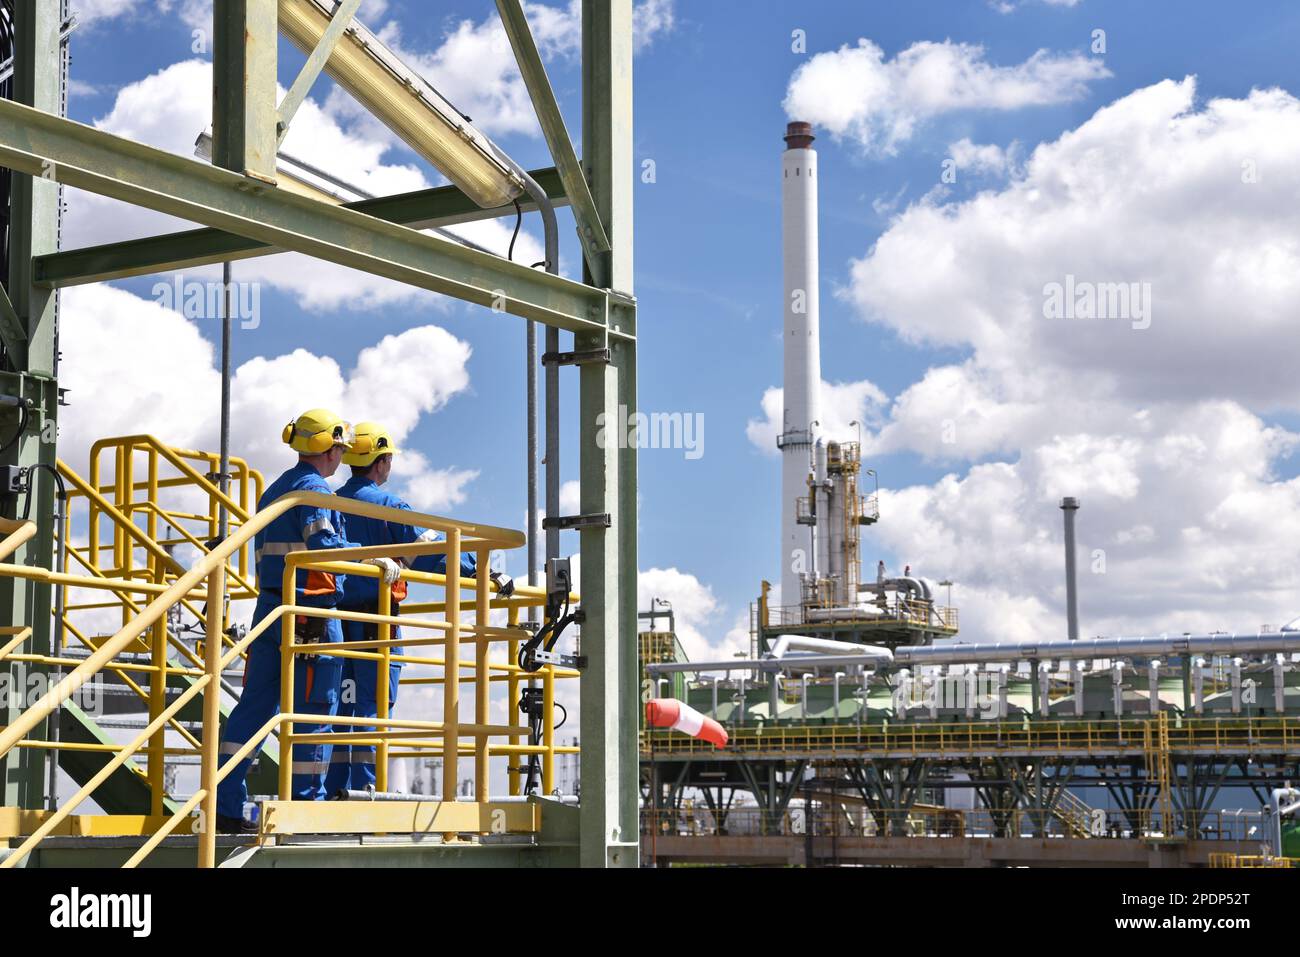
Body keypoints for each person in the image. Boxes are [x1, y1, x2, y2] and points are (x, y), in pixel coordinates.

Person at [323, 422, 514, 794]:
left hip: (334, 623)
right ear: (382, 462)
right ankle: (365, 792)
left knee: (336, 707)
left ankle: (333, 790)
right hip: (378, 623)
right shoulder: (390, 507)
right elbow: (434, 552)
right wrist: (483, 571)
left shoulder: (329, 502)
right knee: (374, 707)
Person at [215, 409, 381, 834]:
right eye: (340, 448)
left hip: (271, 609)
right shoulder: (312, 490)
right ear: (330, 448)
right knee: (315, 709)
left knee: (254, 707)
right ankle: (307, 808)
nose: (342, 456)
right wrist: (371, 556)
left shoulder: (276, 489)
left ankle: (226, 803)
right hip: (311, 613)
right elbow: (324, 543)